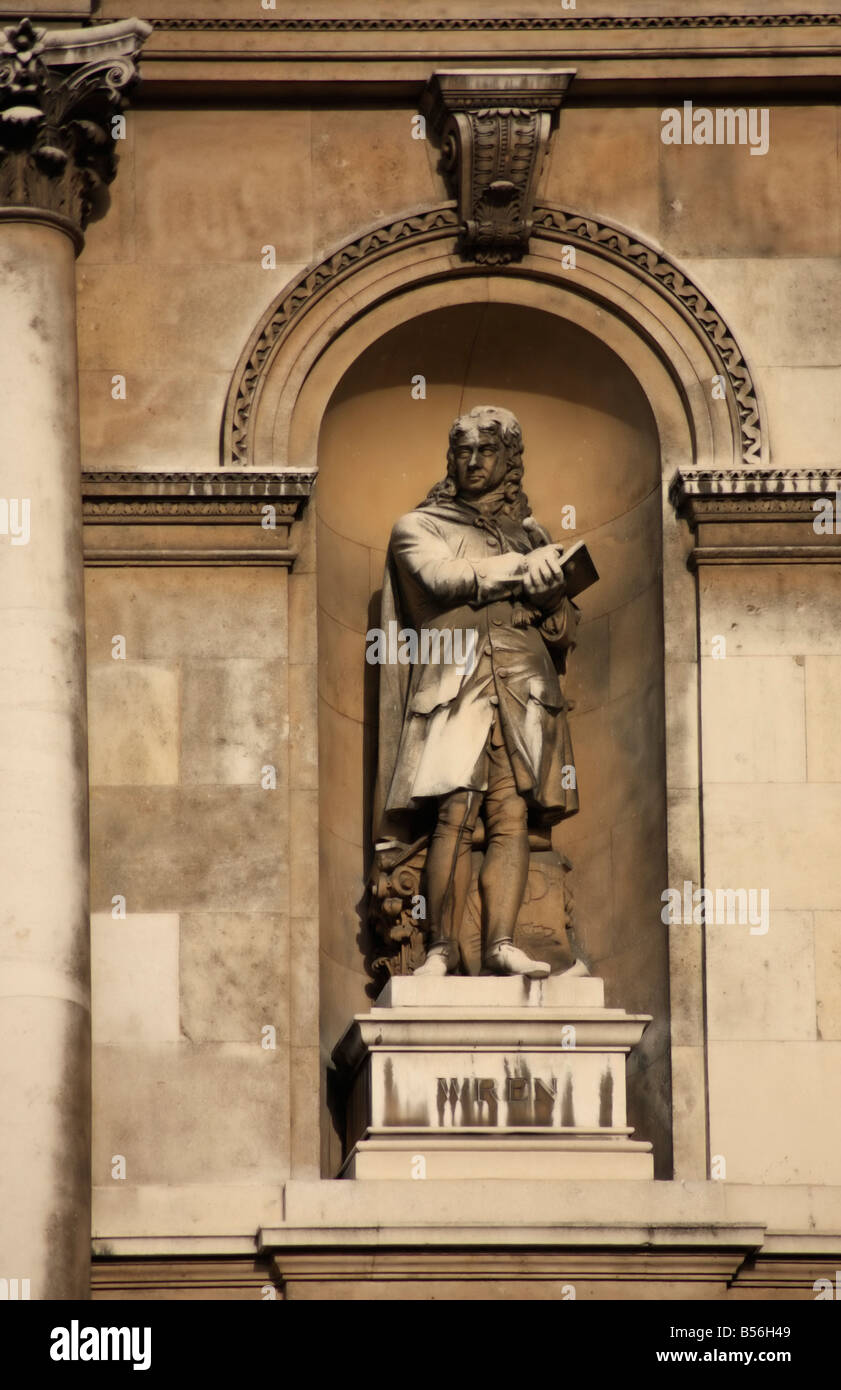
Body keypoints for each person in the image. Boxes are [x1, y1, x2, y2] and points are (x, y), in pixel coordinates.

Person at [374, 405, 580, 978]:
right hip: (454, 683)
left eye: (486, 451)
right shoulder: (420, 525)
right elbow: (444, 579)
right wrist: (523, 570)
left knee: (512, 814)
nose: (472, 461)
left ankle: (501, 944)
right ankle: (441, 947)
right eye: (462, 450)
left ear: (508, 460)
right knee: (454, 812)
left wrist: (554, 595)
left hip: (523, 684)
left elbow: (563, 634)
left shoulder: (533, 535)